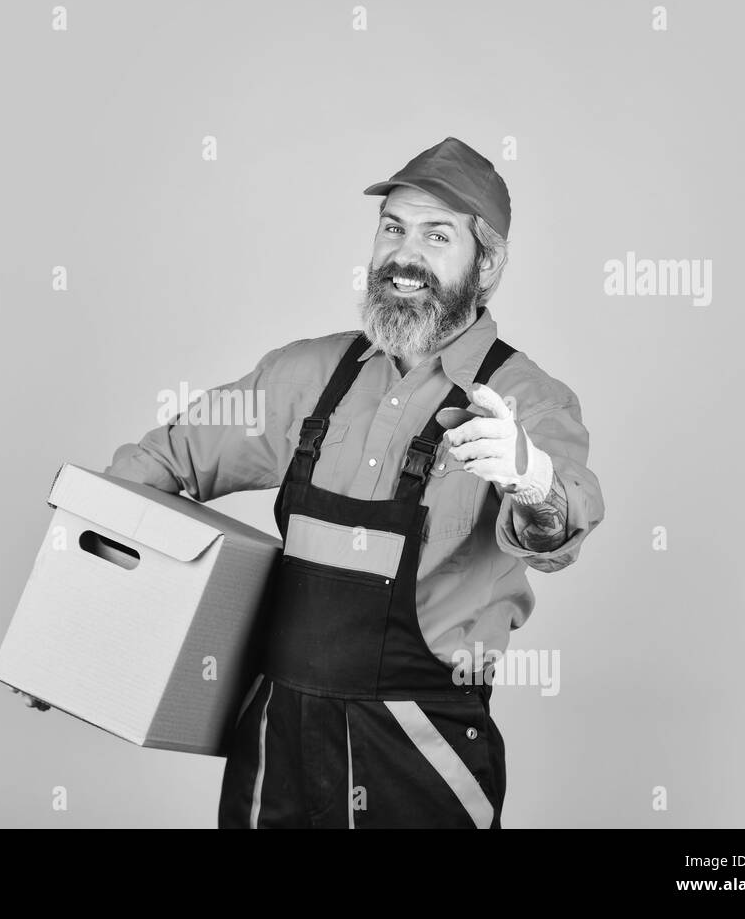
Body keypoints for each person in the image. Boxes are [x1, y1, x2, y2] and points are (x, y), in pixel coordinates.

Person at [80, 136, 603, 827]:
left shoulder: (524, 400)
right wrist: (81, 618)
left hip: (419, 745)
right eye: (393, 229)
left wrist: (531, 479)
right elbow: (161, 462)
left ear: (488, 264)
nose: (404, 256)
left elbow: (558, 533)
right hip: (276, 733)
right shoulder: (305, 376)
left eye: (436, 236)